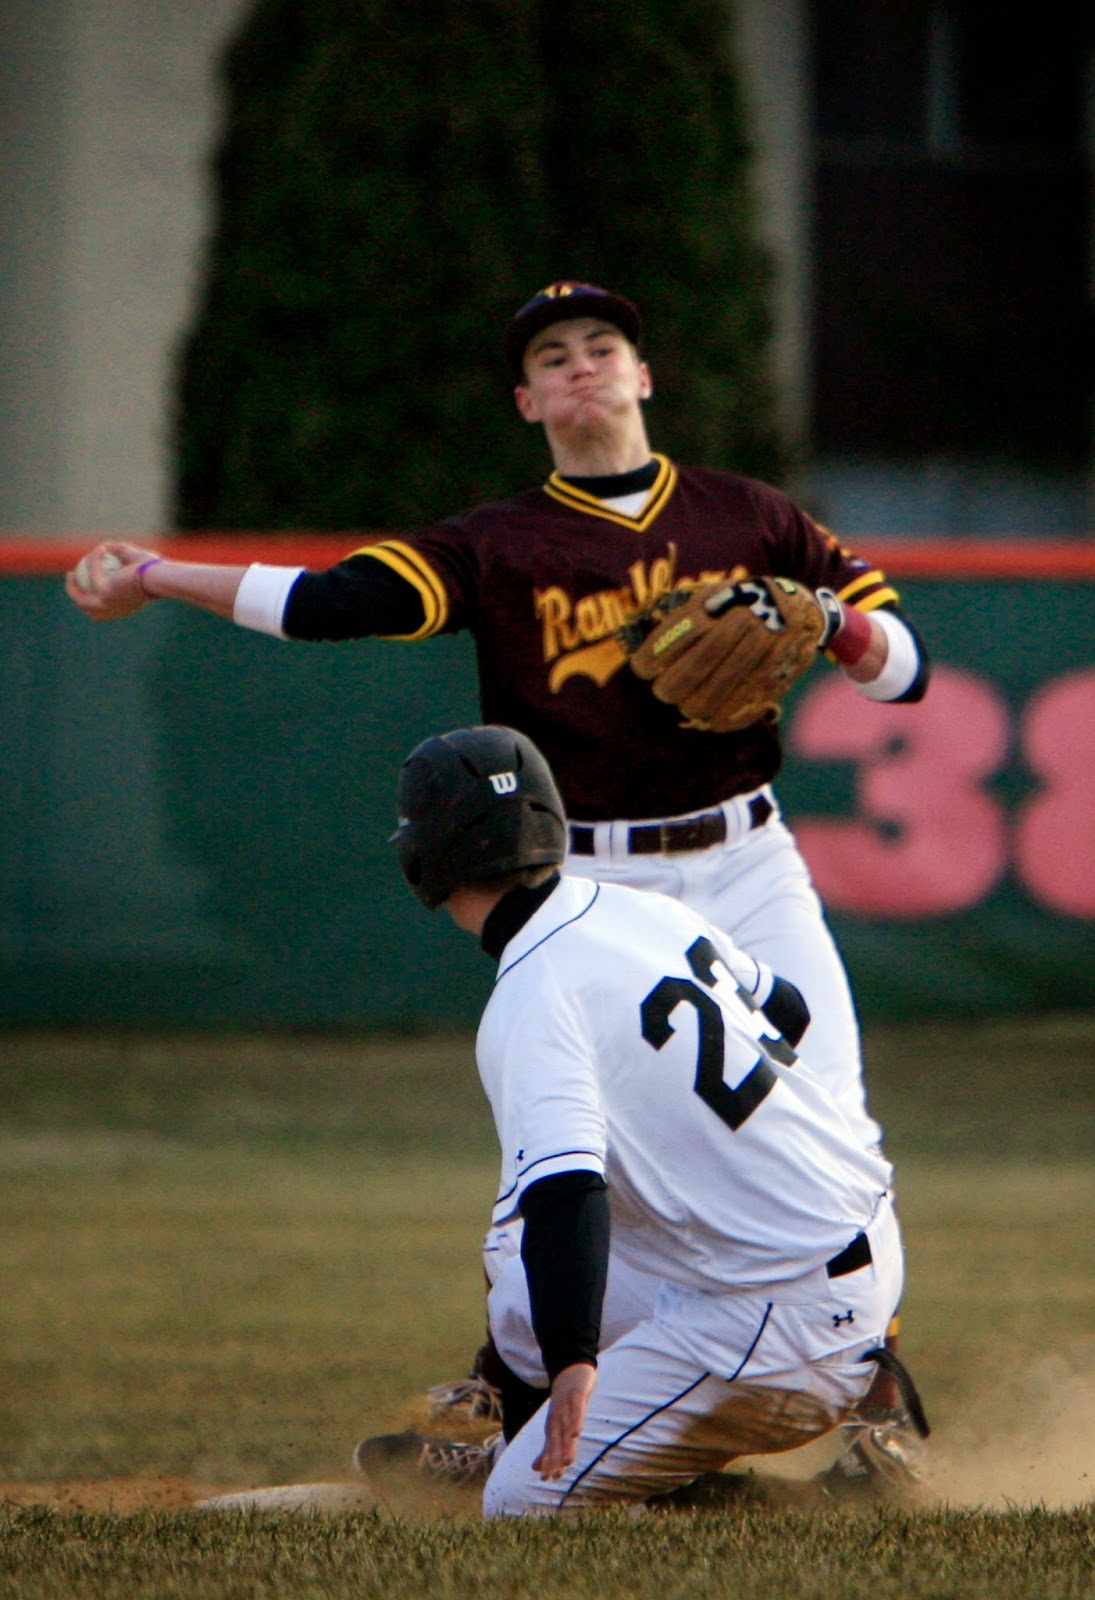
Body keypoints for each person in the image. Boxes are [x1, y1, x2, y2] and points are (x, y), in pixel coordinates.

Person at [66, 280, 930, 1492]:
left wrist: (834, 621)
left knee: (828, 1125)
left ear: (644, 375)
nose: (582, 365)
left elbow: (909, 674)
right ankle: (513, 1395)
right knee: (568, 1151)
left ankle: (874, 1399)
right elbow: (331, 603)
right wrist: (161, 572)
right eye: (554, 357)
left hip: (745, 860)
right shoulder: (502, 541)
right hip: (588, 876)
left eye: (604, 345)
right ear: (526, 400)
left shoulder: (755, 517)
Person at [358, 722, 926, 1516]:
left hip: (778, 1324)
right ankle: (531, 1447)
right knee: (515, 1254)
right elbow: (787, 1013)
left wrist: (574, 1367)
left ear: (433, 851)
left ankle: (782, 1507)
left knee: (525, 1505)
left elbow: (568, 1195)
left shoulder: (533, 993)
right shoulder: (634, 910)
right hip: (855, 1255)